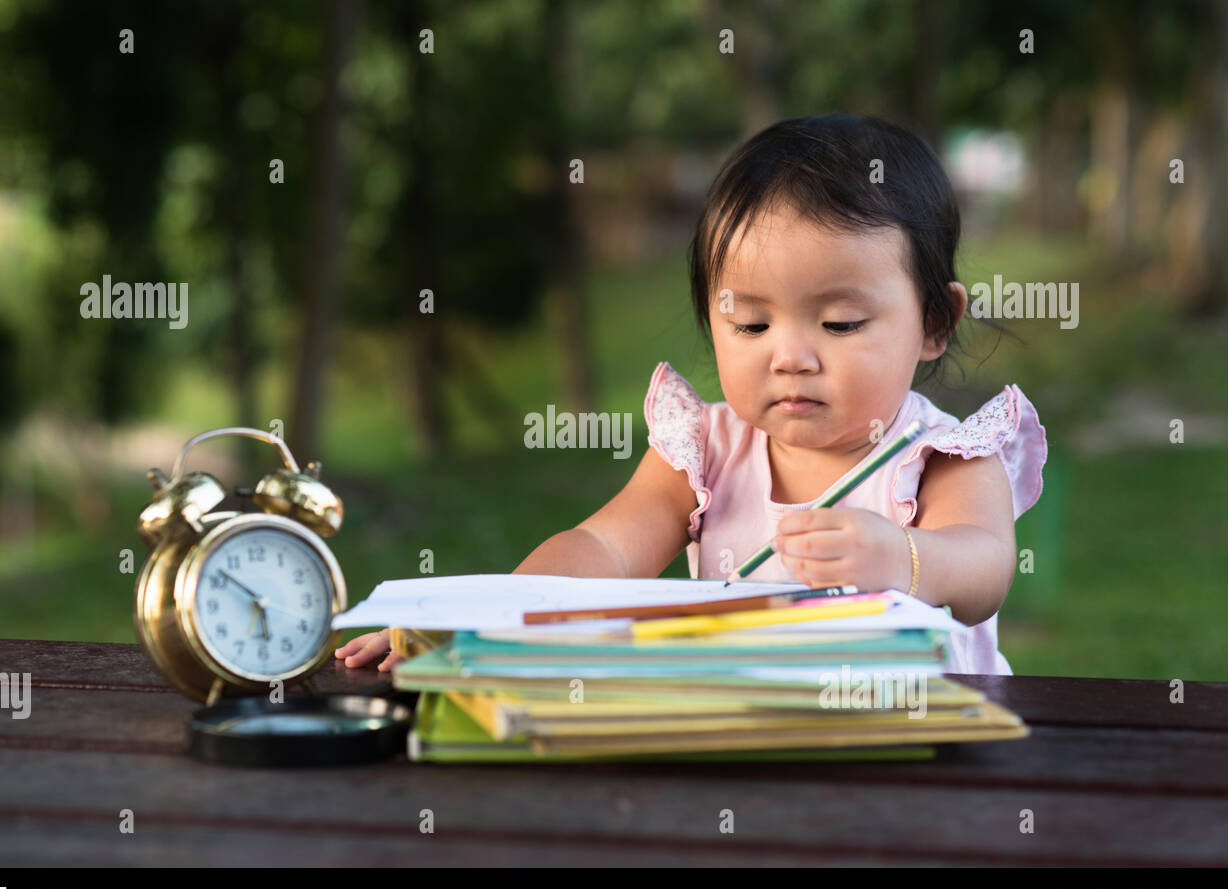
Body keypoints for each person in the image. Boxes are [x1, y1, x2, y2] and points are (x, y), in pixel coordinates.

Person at [337, 114, 1048, 676]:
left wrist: (907, 559)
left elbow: (985, 567)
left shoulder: (945, 456)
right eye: (751, 322)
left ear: (934, 321)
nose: (791, 356)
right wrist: (471, 622)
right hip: (741, 728)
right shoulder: (706, 452)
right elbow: (601, 549)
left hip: (922, 747)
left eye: (840, 323)